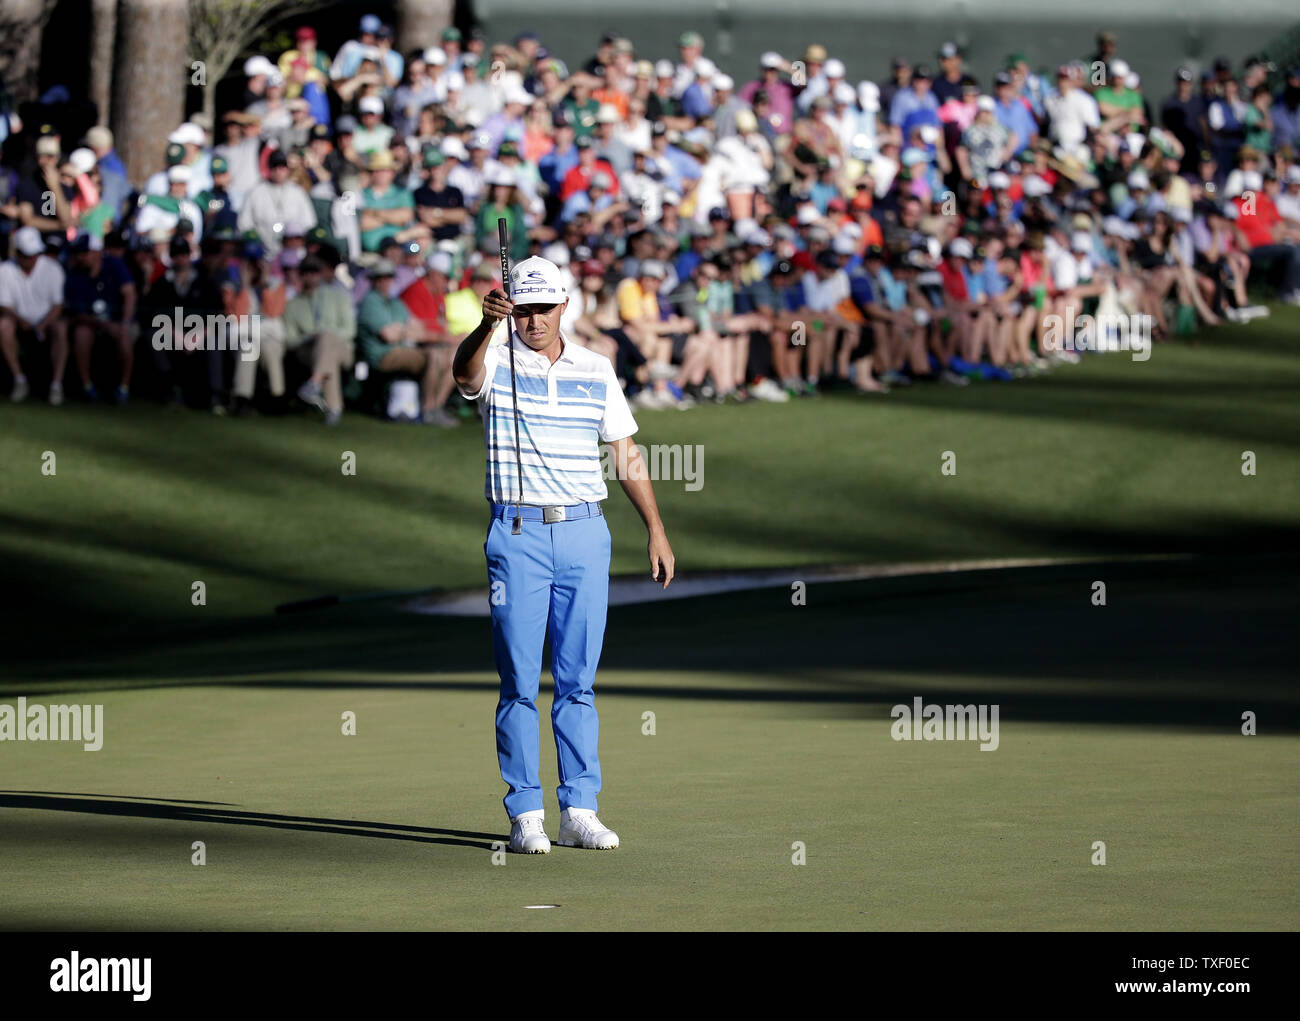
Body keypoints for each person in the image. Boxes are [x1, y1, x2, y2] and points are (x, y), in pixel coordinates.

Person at [451, 254, 675, 854]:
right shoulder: (496, 359)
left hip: (585, 533)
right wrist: (484, 325)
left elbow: (624, 452)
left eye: (542, 309)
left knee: (578, 680)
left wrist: (654, 528)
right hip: (517, 533)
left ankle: (580, 807)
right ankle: (526, 812)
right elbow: (464, 376)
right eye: (522, 310)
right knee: (520, 679)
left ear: (563, 306)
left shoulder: (596, 368)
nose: (533, 321)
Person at [63, 233, 137, 404]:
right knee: (82, 333)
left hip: (118, 321)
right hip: (91, 323)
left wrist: (125, 322)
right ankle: (87, 386)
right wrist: (105, 324)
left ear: (97, 252)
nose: (80, 257)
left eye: (84, 252)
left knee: (125, 335)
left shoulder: (114, 265)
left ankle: (123, 388)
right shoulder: (75, 274)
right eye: (78, 253)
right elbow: (78, 314)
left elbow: (129, 293)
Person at [283, 254, 357, 424]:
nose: (310, 276)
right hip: (308, 350)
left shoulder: (338, 296)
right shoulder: (293, 304)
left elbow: (349, 330)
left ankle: (315, 384)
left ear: (321, 273)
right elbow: (289, 340)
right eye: (306, 272)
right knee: (326, 351)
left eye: (314, 271)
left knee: (327, 341)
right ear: (301, 275)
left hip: (341, 348)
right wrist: (309, 337)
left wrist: (326, 334)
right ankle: (332, 407)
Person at [0, 227, 67, 403]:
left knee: (61, 328)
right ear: (18, 253)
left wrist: (43, 325)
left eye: (34, 254)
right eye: (26, 254)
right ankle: (19, 380)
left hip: (47, 322)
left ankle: (56, 385)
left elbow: (57, 306)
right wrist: (22, 322)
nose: (31, 259)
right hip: (19, 322)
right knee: (4, 326)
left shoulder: (53, 269)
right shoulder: (5, 270)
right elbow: (4, 306)